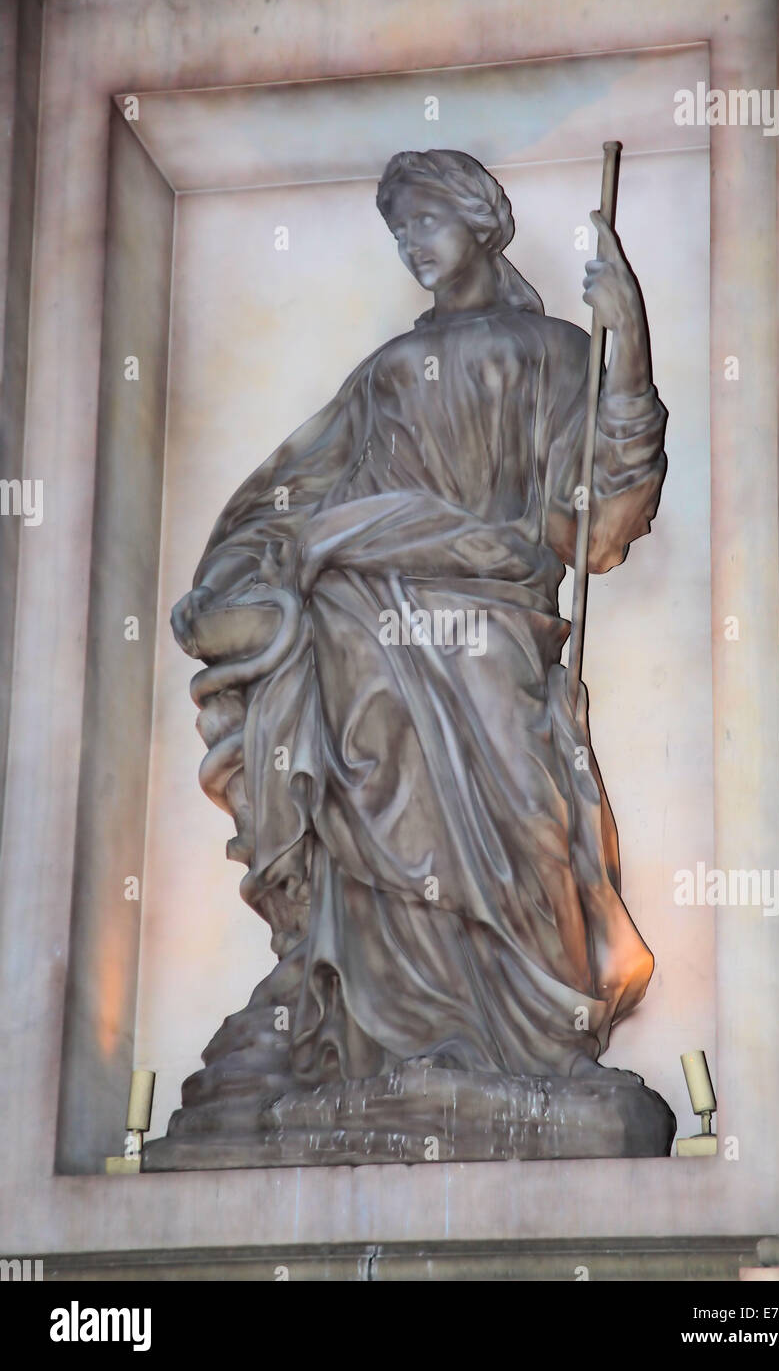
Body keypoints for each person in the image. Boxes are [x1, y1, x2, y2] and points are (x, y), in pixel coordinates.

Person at [169, 148, 668, 1110]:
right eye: (399, 229)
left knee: (524, 811)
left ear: (483, 221)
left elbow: (600, 524)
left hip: (489, 624)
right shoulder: (385, 372)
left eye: (427, 221)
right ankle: (384, 1041)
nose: (411, 245)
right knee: (376, 797)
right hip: (365, 617)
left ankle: (527, 1044)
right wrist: (249, 579)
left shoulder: (560, 352)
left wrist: (629, 342)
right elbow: (295, 497)